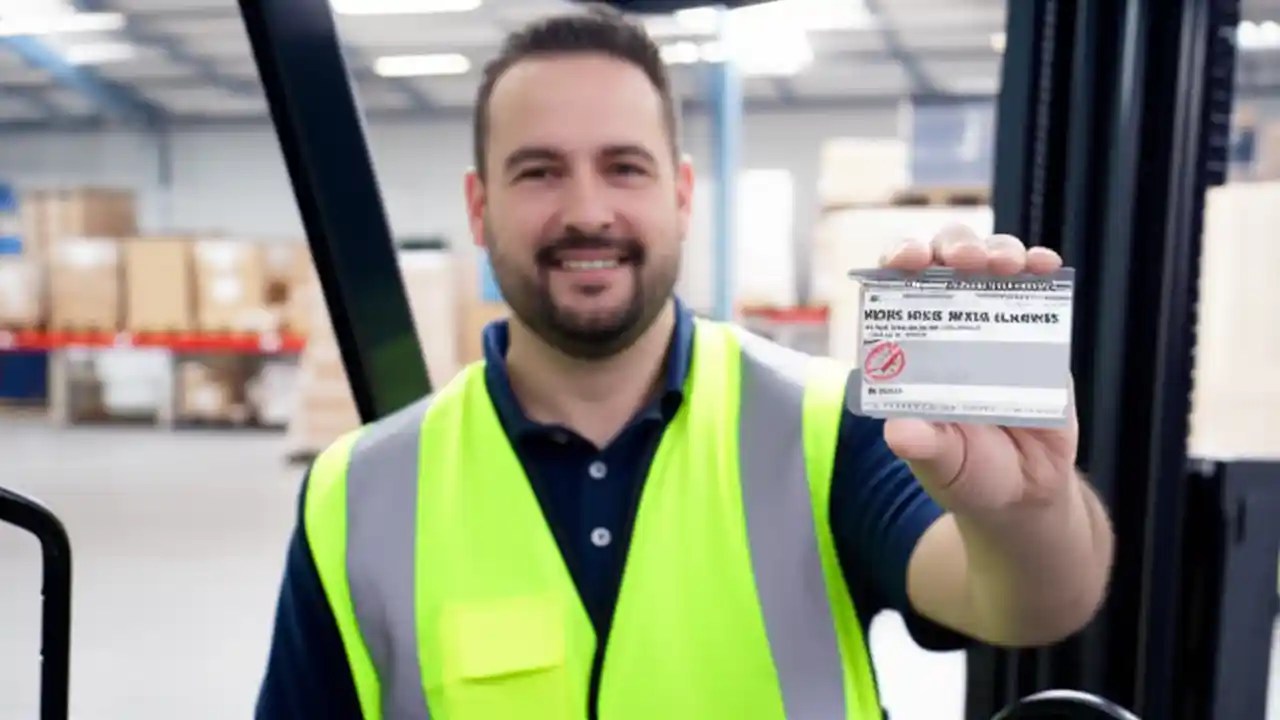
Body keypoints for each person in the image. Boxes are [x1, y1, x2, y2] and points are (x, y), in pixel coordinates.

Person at [255, 6, 1115, 719]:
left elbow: (1027, 603)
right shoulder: (358, 493)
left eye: (624, 168)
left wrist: (1028, 511)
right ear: (479, 208)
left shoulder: (823, 427)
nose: (586, 210)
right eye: (539, 172)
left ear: (681, 194)